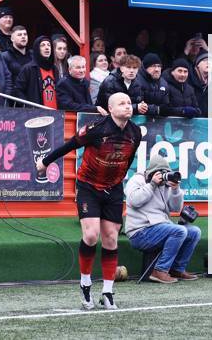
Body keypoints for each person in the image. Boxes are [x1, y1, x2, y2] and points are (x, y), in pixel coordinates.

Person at [37, 92, 142, 310]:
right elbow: (70, 145)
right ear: (110, 109)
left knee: (111, 238)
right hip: (88, 187)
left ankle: (108, 291)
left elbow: (129, 158)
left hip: (113, 189)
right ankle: (85, 284)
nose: (127, 106)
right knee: (92, 234)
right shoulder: (96, 129)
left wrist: (118, 180)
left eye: (129, 103)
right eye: (122, 103)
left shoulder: (135, 132)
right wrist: (45, 162)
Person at [125, 154, 200, 283]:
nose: (164, 176)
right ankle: (160, 270)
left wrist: (175, 190)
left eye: (166, 173)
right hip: (140, 232)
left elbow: (176, 208)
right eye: (160, 173)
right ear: (152, 172)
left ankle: (177, 269)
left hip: (160, 227)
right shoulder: (137, 180)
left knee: (194, 232)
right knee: (179, 231)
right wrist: (152, 184)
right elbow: (134, 201)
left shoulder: (165, 185)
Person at [14, 36, 58, 109]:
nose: (47, 47)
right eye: (43, 45)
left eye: (49, 45)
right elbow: (18, 90)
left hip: (55, 114)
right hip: (36, 115)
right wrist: (28, 107)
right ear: (37, 49)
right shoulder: (29, 68)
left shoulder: (54, 69)